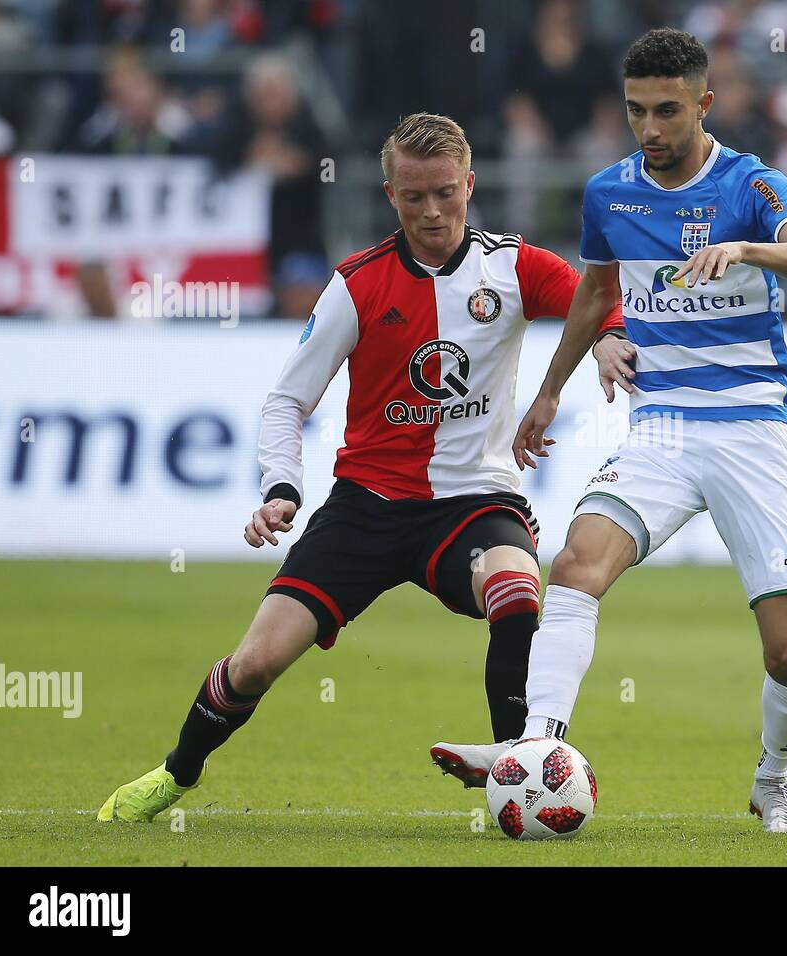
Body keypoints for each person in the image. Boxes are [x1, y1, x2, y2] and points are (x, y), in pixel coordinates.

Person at [97, 113, 625, 821]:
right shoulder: (356, 285)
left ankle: (516, 761)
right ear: (390, 195)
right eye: (414, 197)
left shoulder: (514, 266)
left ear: (469, 184)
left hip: (473, 500)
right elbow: (286, 400)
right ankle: (176, 774)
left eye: (445, 193)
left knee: (516, 586)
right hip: (366, 505)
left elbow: (598, 301)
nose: (432, 211)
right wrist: (282, 488)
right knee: (255, 663)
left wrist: (608, 345)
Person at [432, 29, 787, 834]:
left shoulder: (751, 185)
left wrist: (747, 248)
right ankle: (532, 746)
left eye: (666, 110)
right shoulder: (608, 194)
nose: (649, 128)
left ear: (703, 104)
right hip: (660, 427)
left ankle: (774, 779)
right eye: (635, 111)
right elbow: (593, 294)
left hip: (753, 427)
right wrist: (549, 392)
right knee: (577, 564)